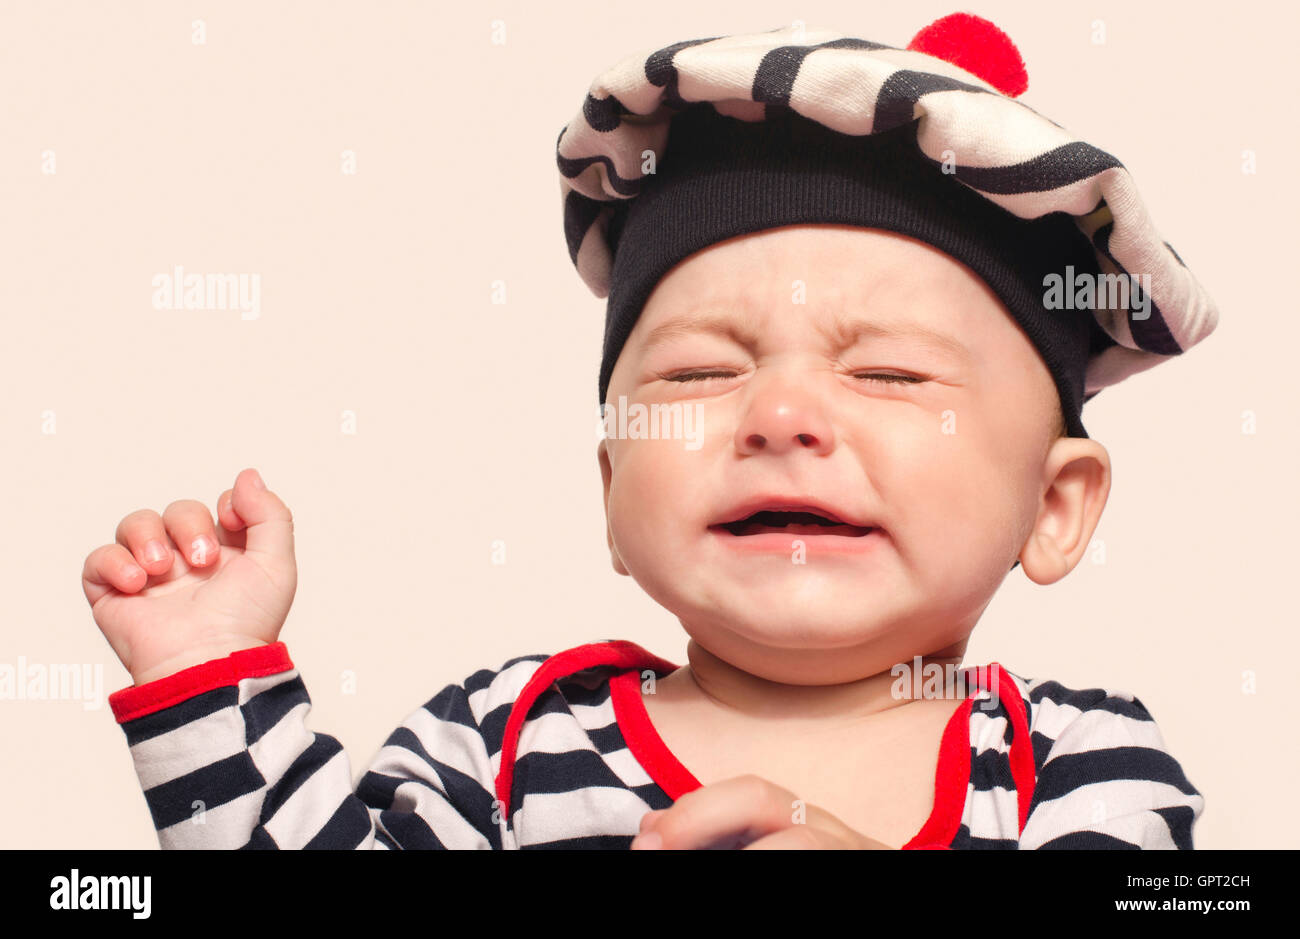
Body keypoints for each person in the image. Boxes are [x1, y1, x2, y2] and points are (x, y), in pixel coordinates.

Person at [84, 14, 1216, 849]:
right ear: (612, 486)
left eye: (885, 371)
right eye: (699, 371)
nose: (778, 415)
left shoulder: (1078, 767)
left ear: (1054, 506)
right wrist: (209, 671)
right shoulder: (501, 740)